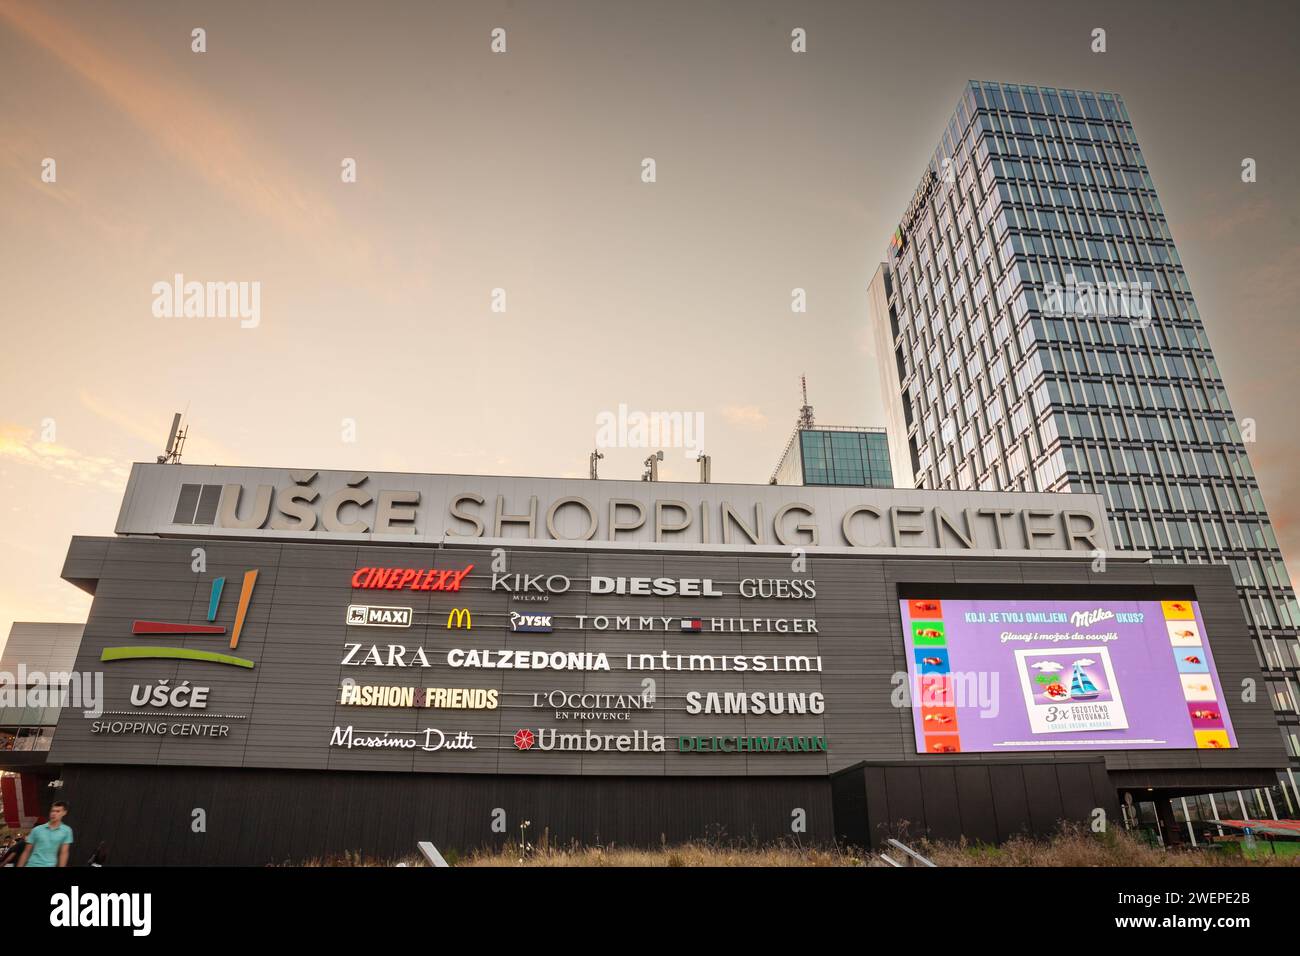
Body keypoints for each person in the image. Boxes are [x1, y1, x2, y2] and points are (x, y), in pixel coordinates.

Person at [18, 801, 73, 868]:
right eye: (52, 811)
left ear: (64, 813)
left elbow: (64, 853)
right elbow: (26, 851)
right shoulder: (37, 829)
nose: (54, 813)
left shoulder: (66, 831)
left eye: (58, 811)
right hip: (32, 864)